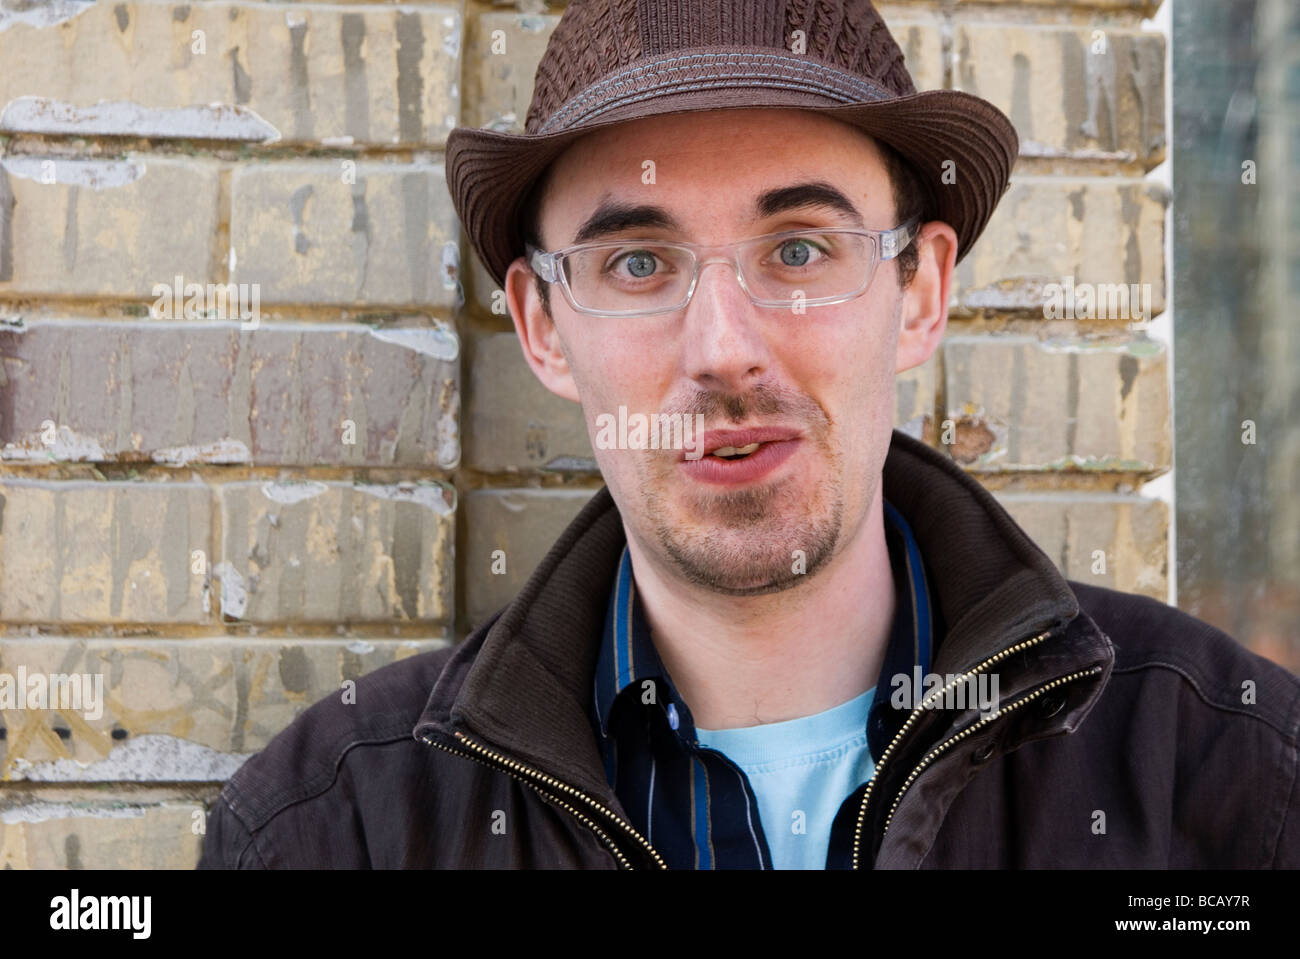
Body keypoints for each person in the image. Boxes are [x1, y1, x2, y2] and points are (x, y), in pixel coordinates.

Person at [199, 0, 1299, 869]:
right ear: (541, 326)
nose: (724, 349)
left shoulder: (1230, 774)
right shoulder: (331, 830)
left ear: (918, 293)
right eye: (638, 263)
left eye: (800, 250)